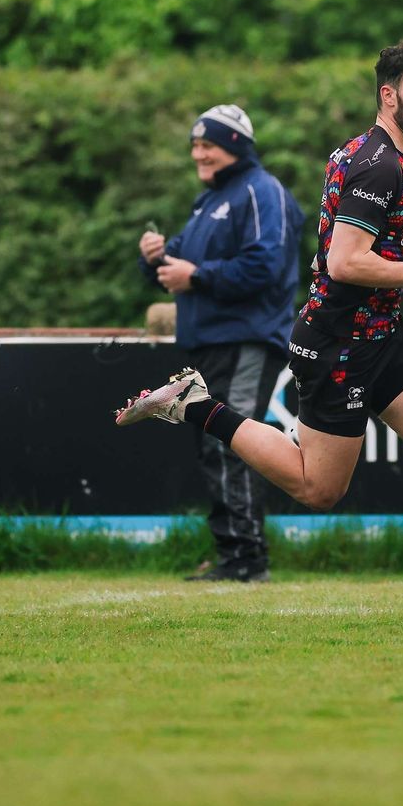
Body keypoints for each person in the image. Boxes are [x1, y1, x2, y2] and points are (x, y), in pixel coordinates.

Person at [121, 40, 403, 630]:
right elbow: (343, 262)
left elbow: (372, 248)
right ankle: (197, 406)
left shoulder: (372, 154)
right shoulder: (378, 164)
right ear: (388, 95)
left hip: (381, 331)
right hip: (338, 341)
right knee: (318, 489)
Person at [139, 103, 305, 583]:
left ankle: (247, 560)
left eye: (207, 144)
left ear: (234, 145)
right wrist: (157, 259)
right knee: (217, 446)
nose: (198, 153)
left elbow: (267, 265)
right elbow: (180, 274)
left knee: (234, 445)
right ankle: (233, 553)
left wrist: (197, 274)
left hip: (246, 339)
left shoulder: (261, 191)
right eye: (194, 145)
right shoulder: (207, 202)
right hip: (210, 343)